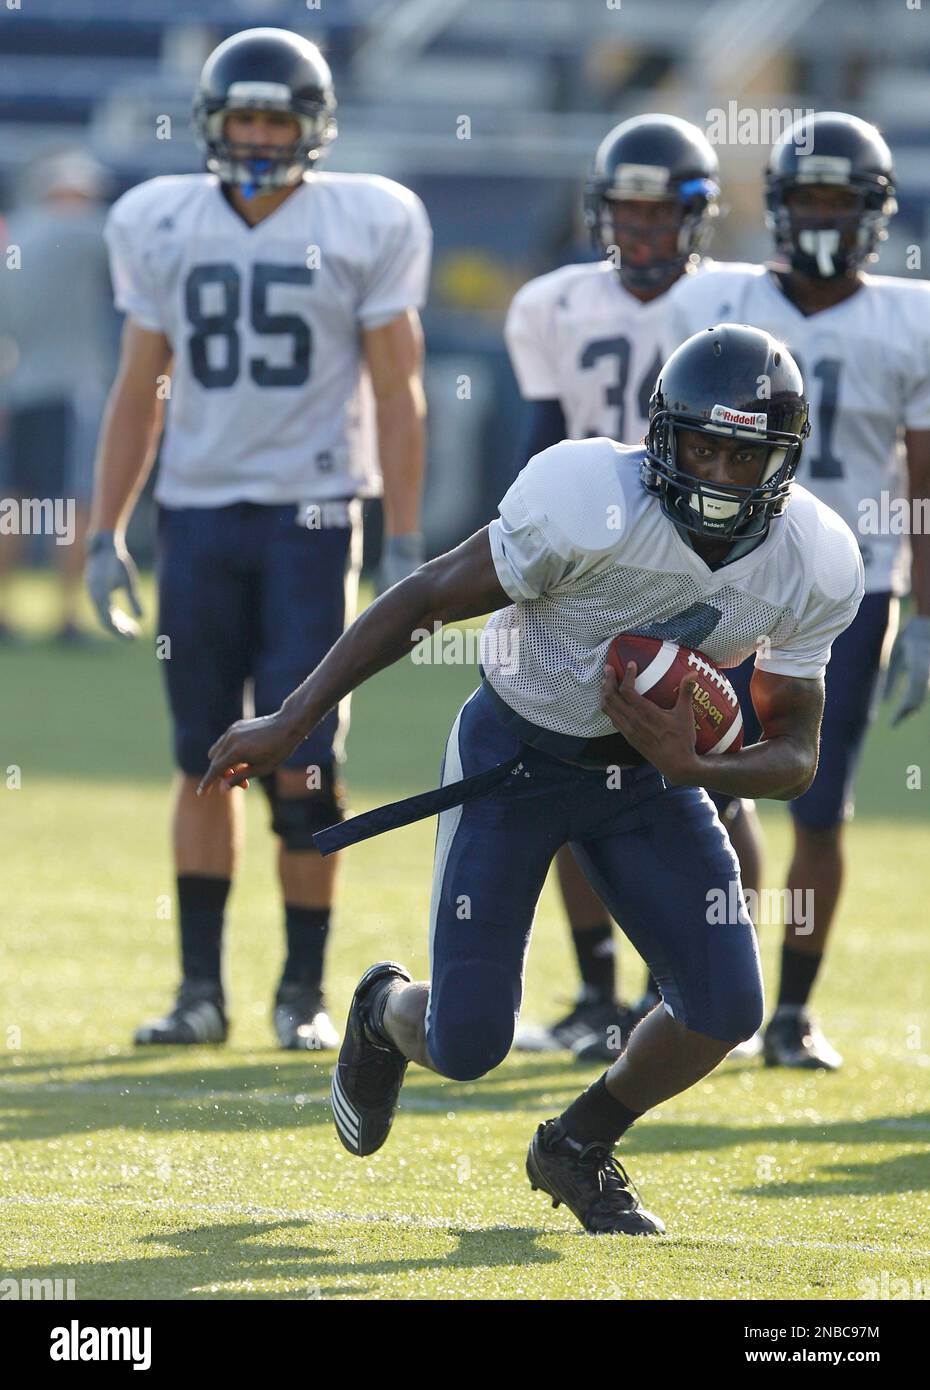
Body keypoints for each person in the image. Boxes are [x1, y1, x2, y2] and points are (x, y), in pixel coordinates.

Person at [199, 325, 863, 1234]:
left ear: (781, 464)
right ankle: (382, 1011)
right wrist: (295, 715)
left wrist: (696, 766)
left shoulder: (814, 558)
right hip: (513, 761)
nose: (715, 473)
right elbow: (431, 595)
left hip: (649, 784)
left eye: (742, 456)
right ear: (661, 438)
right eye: (701, 446)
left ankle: (578, 1144)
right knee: (469, 1044)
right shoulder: (586, 497)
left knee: (725, 1006)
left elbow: (797, 754)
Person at [85, 27, 431, 1050]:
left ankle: (303, 990)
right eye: (245, 117)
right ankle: (200, 991)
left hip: (314, 516)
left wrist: (405, 536)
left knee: (306, 762)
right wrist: (108, 527)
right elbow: (137, 388)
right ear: (212, 124)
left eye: (279, 118)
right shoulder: (157, 220)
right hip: (195, 515)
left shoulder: (368, 217)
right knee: (201, 756)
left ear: (314, 128)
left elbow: (398, 387)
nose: (261, 135)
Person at [667, 112, 930, 1069]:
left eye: (839, 199)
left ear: (872, 212)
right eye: (809, 196)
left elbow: (924, 481)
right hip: (727, 569)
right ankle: (712, 987)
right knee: (706, 785)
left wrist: (926, 614)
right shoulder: (722, 296)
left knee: (816, 802)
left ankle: (793, 1012)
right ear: (779, 206)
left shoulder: (912, 313)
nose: (823, 215)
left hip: (853, 582)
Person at [505, 114, 764, 1060]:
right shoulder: (553, 303)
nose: (642, 232)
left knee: (721, 777)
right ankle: (597, 996)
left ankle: (723, 991)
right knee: (576, 766)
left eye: (660, 215)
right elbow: (536, 446)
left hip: (707, 562)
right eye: (626, 212)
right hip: (590, 565)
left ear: (697, 219)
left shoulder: (742, 296)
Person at [0, 151, 114, 643]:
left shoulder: (16, 233)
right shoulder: (86, 232)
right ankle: (68, 616)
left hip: (18, 388)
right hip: (71, 389)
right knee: (75, 503)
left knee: (14, 503)